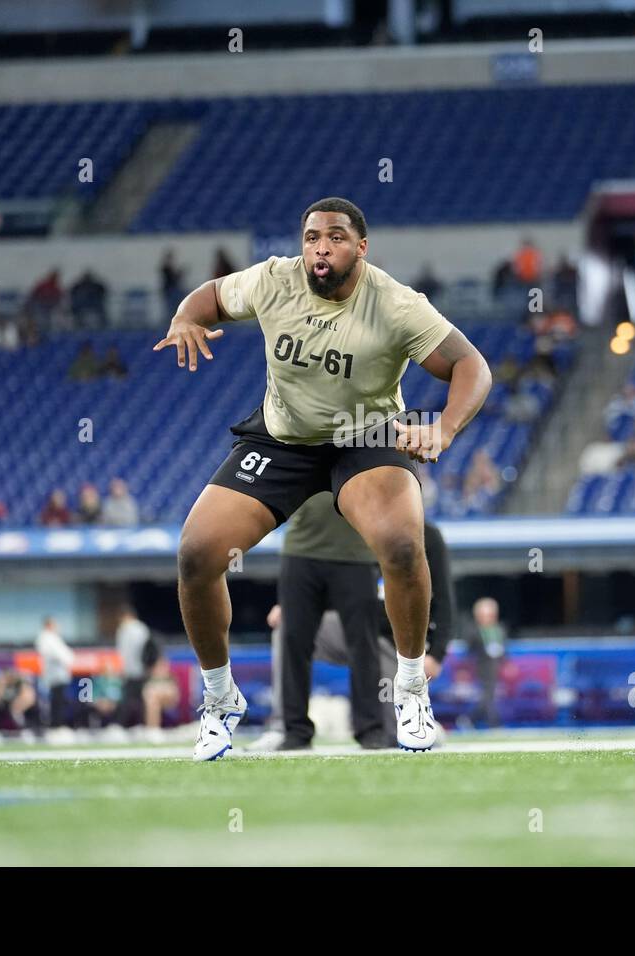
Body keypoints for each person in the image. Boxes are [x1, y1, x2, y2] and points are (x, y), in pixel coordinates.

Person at [153, 196, 491, 760]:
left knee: (402, 546)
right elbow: (209, 296)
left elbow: (470, 365)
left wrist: (445, 427)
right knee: (196, 554)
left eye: (335, 237)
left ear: (361, 247)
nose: (320, 248)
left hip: (366, 433)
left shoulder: (396, 304)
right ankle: (219, 698)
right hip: (283, 438)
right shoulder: (273, 281)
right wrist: (185, 318)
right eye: (312, 237)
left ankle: (410, 691)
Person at [259, 491, 389, 752]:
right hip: (301, 552)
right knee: (294, 642)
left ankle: (371, 729)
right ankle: (294, 730)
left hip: (356, 555)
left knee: (364, 645)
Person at [467, 598, 506, 727]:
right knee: (488, 696)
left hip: (497, 668)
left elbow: (503, 649)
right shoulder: (474, 631)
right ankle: (493, 723)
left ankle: (470, 719)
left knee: (489, 696)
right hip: (481, 669)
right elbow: (470, 651)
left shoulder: (499, 629)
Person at [114, 606, 154, 724]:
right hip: (141, 670)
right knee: (140, 700)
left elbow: (122, 653)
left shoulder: (125, 630)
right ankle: (140, 723)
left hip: (131, 671)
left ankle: (124, 724)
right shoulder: (142, 628)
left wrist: (122, 669)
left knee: (128, 699)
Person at [35, 617, 75, 728]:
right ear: (48, 625)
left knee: (60, 701)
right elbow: (57, 655)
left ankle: (58, 724)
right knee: (56, 701)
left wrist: (66, 658)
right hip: (54, 675)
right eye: (55, 624)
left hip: (60, 674)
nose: (57, 626)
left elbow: (67, 655)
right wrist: (64, 658)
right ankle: (55, 726)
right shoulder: (45, 638)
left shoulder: (54, 638)